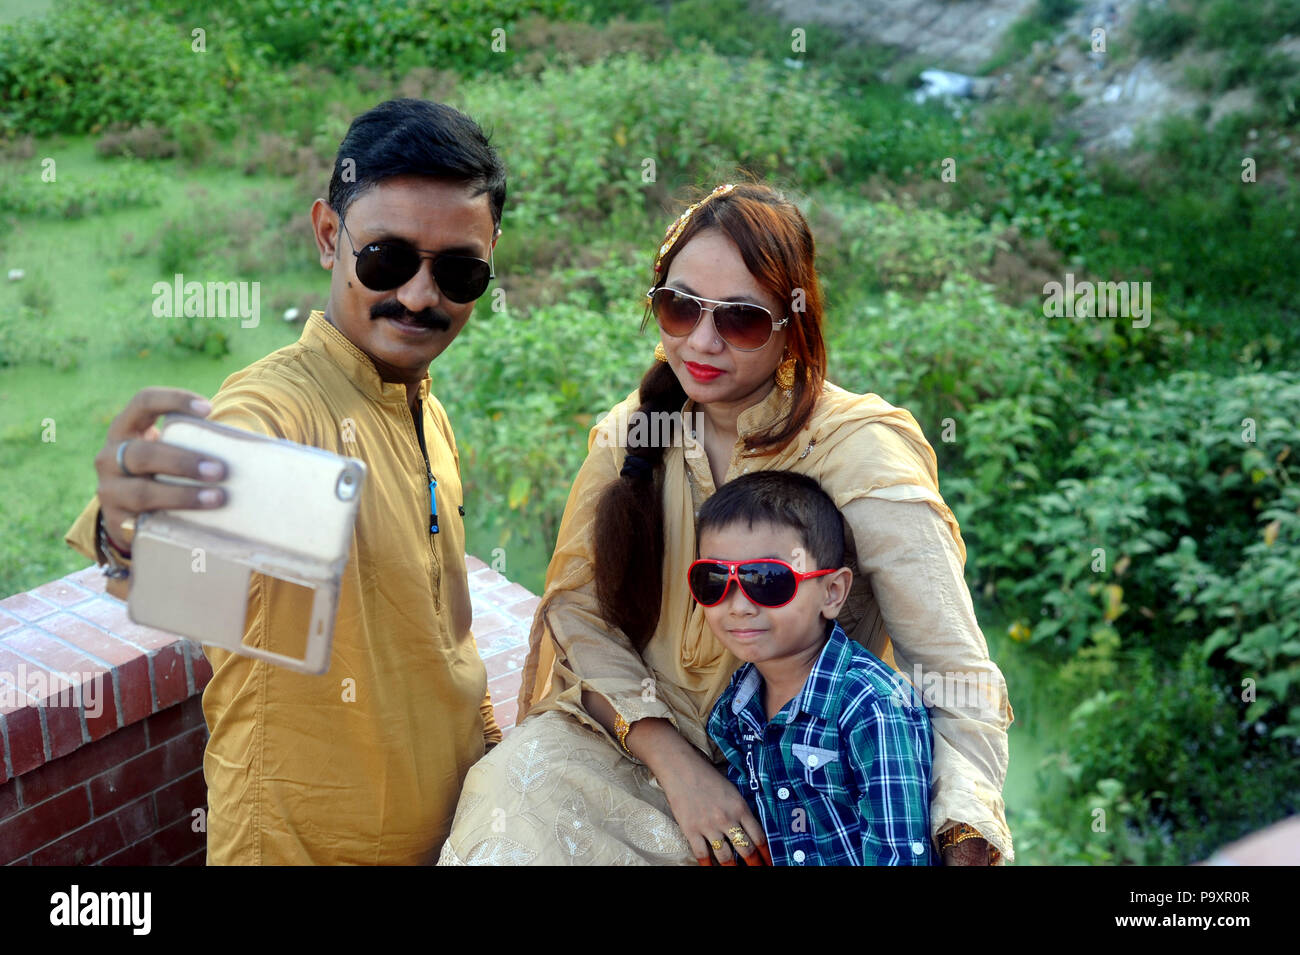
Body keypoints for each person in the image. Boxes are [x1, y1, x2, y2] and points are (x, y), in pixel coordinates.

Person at [440, 180, 1014, 866]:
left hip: (804, 779)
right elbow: (581, 616)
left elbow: (951, 671)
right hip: (636, 743)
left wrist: (965, 833)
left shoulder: (861, 455)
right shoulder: (634, 434)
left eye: (739, 319)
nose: (702, 341)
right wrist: (678, 766)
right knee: (509, 807)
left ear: (791, 325)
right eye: (678, 308)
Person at [64, 99, 506, 864]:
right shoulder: (282, 408)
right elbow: (197, 520)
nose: (421, 296)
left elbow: (448, 640)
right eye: (387, 259)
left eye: (459, 272)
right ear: (330, 236)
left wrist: (494, 756)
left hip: (453, 833)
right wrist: (127, 526)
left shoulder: (423, 408)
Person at [698, 470, 936, 866]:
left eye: (767, 580)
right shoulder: (735, 709)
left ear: (832, 592)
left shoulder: (872, 706)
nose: (738, 605)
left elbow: (898, 853)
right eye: (714, 579)